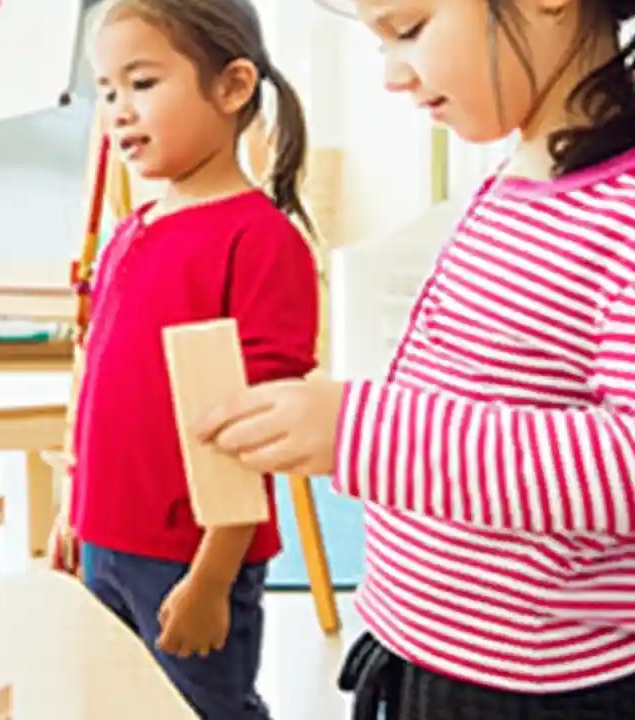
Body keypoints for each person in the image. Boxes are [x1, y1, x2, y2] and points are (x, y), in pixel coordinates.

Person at [198, 0, 635, 717]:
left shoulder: (621, 207)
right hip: (426, 648)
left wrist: (360, 432)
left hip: (535, 689)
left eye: (409, 31)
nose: (393, 75)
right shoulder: (525, 171)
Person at [53, 1, 320, 717]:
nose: (119, 111)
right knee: (114, 702)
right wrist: (71, 507)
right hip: (104, 538)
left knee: (203, 708)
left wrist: (210, 577)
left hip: (191, 553)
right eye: (107, 91)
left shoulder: (260, 241)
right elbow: (97, 381)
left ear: (232, 88)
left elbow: (255, 431)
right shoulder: (129, 233)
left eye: (142, 83)